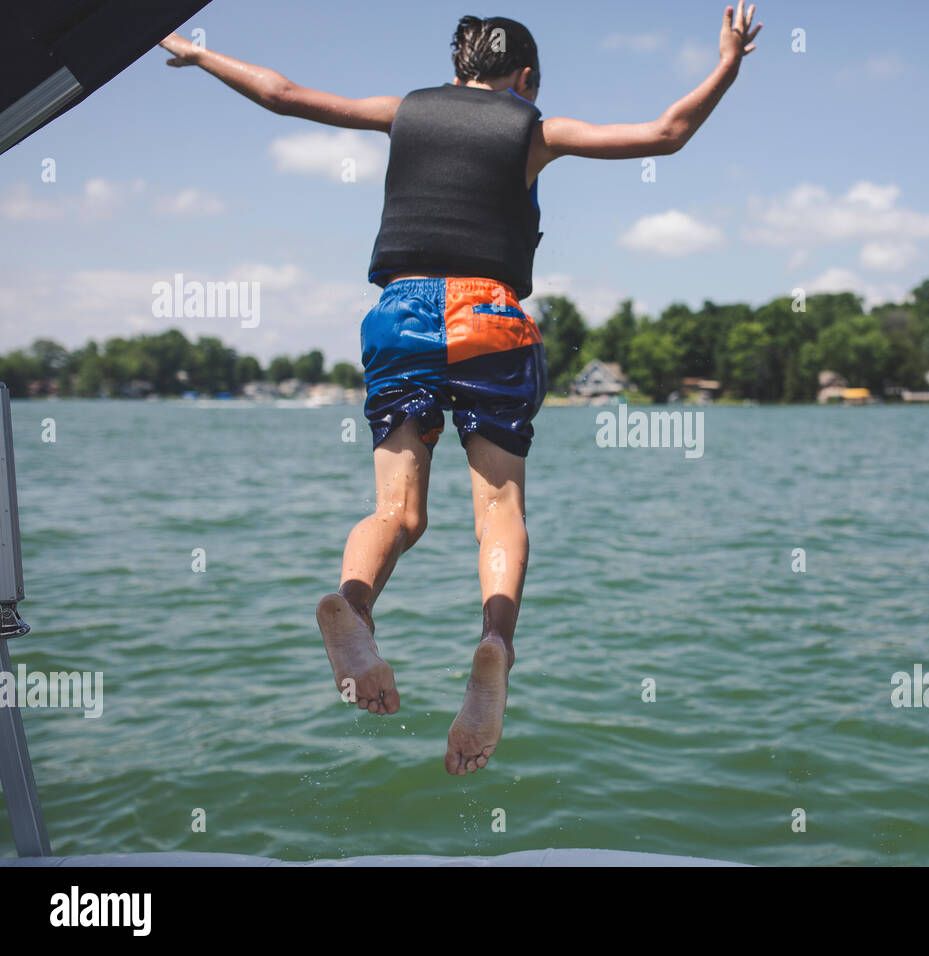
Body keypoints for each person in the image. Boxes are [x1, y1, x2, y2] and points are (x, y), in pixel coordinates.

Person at [158, 5, 761, 775]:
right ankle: (494, 645)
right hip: (490, 317)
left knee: (395, 511)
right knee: (499, 512)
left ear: (454, 70)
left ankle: (355, 609)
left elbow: (280, 92)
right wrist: (728, 64)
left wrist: (202, 55)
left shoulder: (402, 111)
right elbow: (665, 133)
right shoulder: (534, 129)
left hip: (399, 313)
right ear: (527, 79)